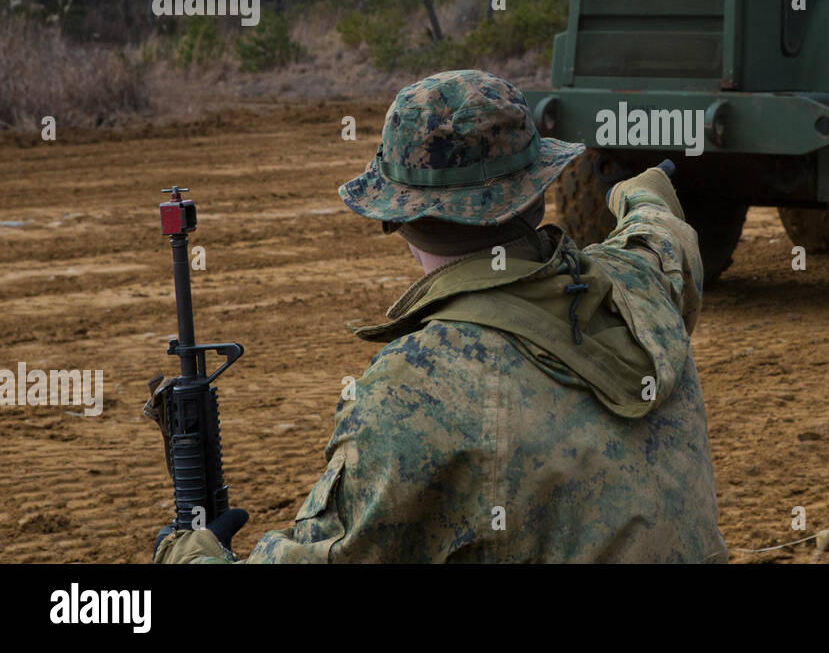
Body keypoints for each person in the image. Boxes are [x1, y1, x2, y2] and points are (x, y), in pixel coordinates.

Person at [151, 69, 728, 563]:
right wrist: (642, 193)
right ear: (537, 193)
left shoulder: (414, 389)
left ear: (398, 220)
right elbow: (661, 239)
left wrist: (191, 552)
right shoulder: (640, 288)